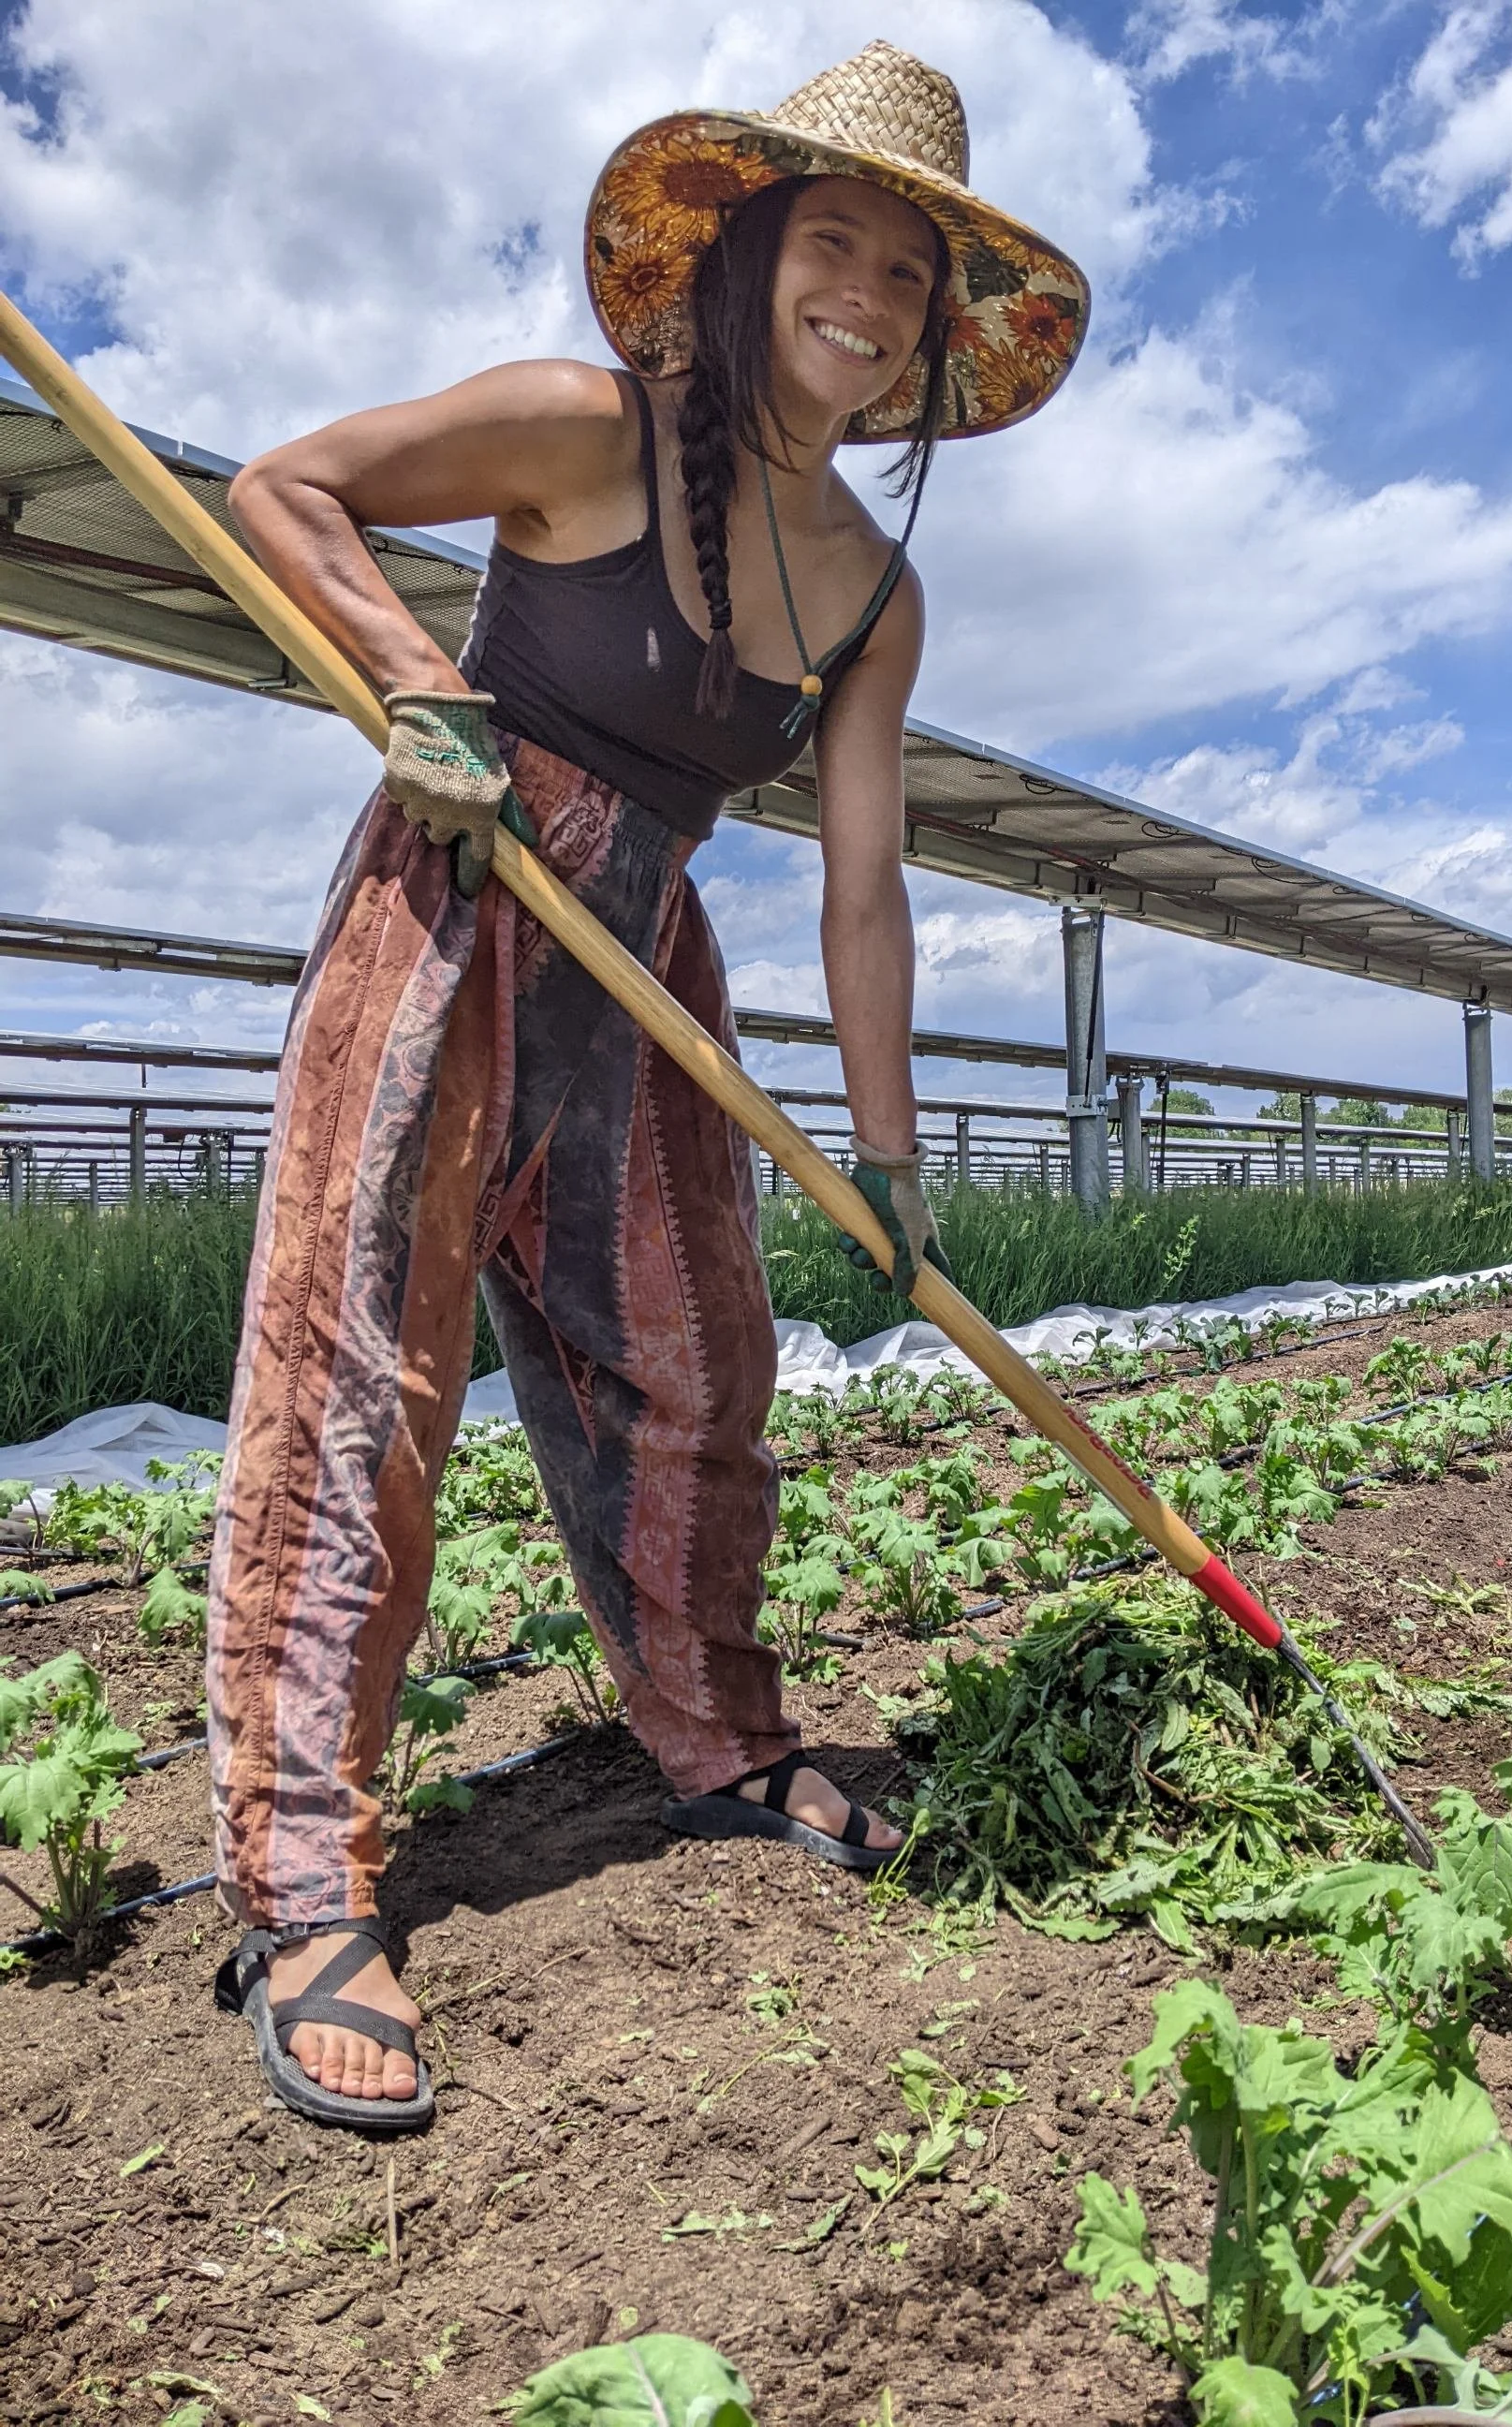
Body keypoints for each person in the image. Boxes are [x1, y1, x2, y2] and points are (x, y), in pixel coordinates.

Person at [206, 39, 1088, 2128]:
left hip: (648, 971)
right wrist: (416, 685)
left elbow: (865, 894)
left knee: (693, 1365)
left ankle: (712, 1732)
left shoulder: (875, 586)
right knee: (361, 1369)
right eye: (837, 244)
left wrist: (883, 1160)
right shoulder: (577, 429)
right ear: (754, 249)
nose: (866, 300)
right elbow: (279, 488)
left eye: (908, 278)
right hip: (459, 905)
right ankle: (302, 1872)